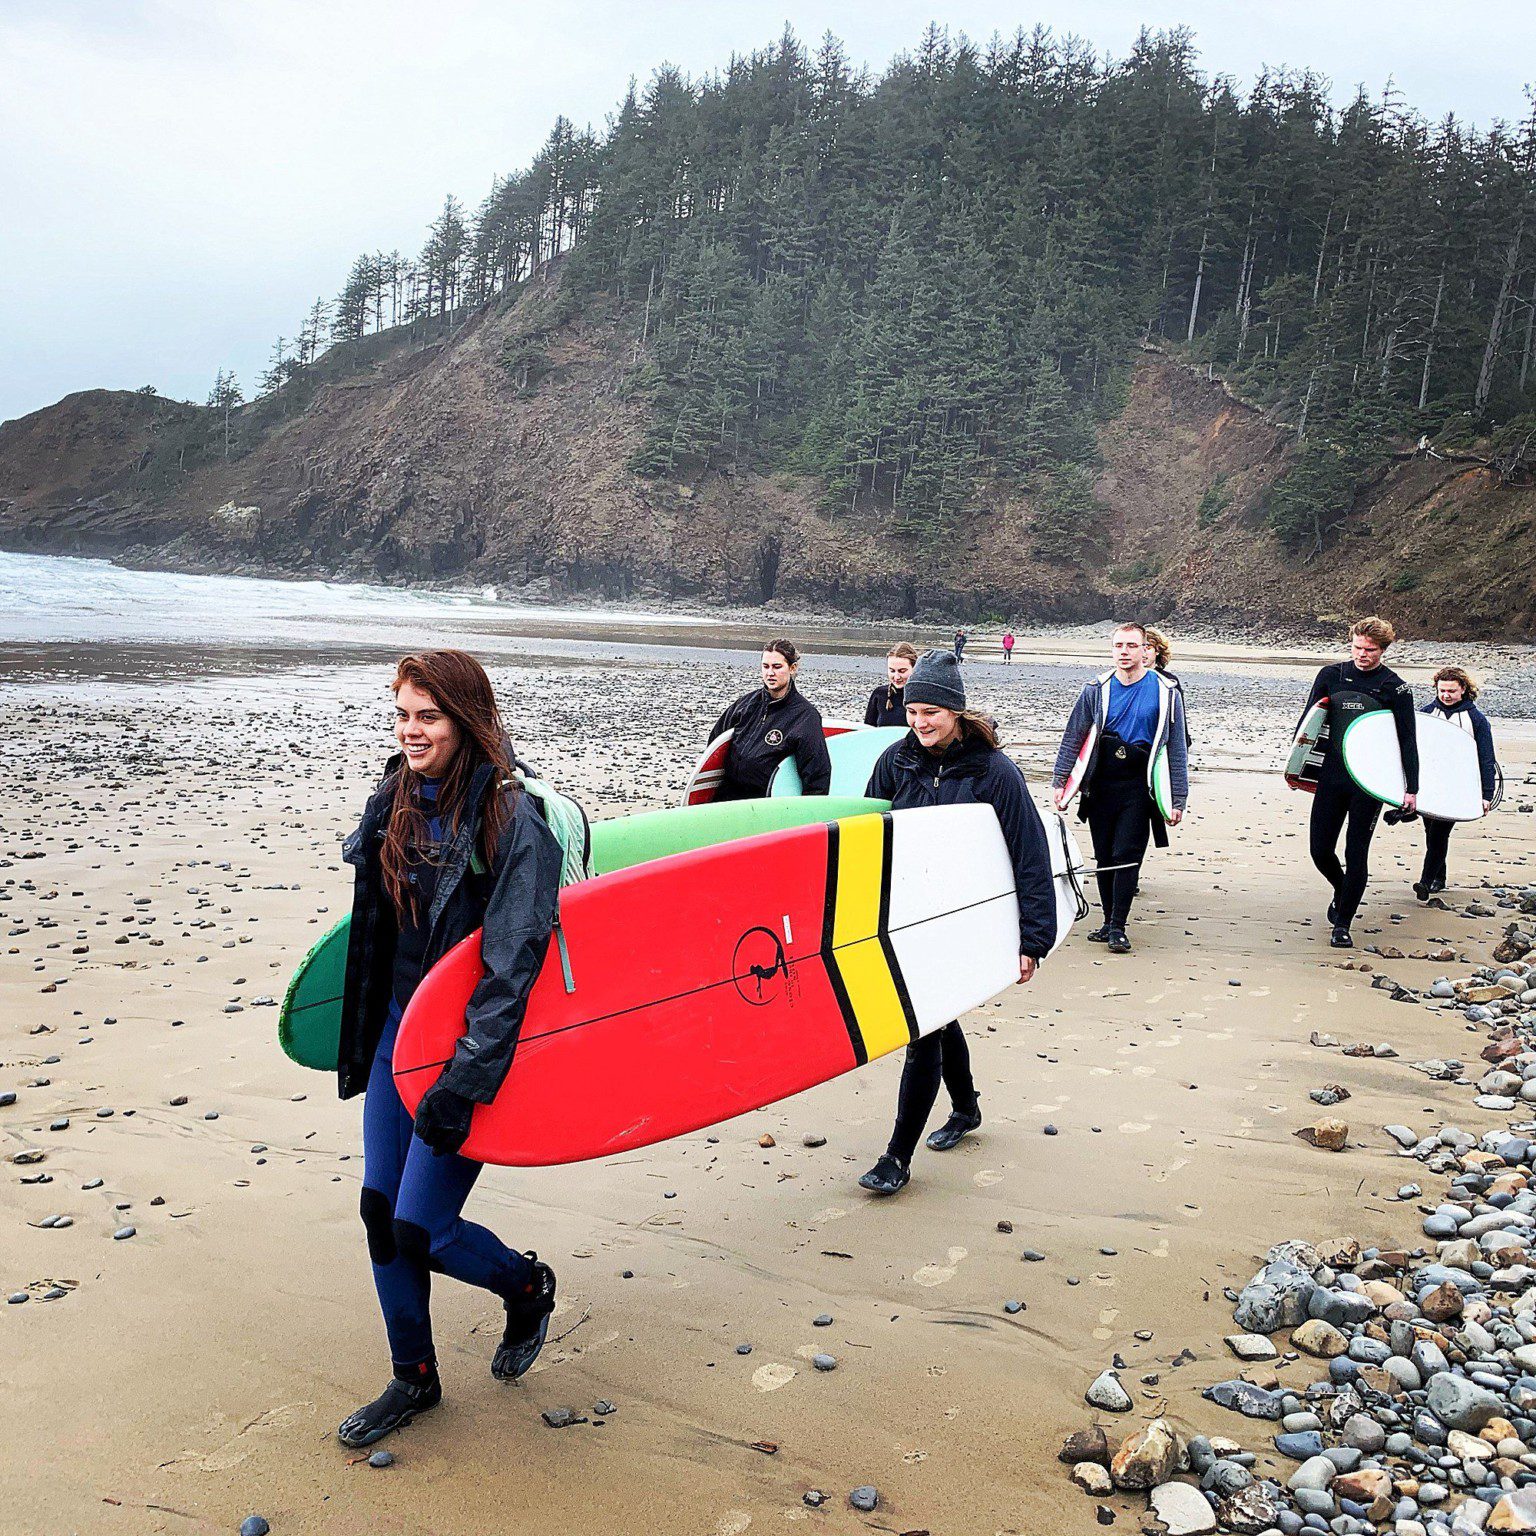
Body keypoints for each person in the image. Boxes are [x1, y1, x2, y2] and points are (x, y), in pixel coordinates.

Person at [334, 650, 563, 1449]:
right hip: (399, 1028)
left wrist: (463, 1080)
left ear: (466, 719)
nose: (410, 730)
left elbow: (513, 966)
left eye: (427, 716)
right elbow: (369, 931)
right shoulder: (394, 797)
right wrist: (358, 1038)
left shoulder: (511, 819)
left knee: (422, 1229)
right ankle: (414, 1378)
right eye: (401, 713)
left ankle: (525, 1285)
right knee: (378, 1213)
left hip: (466, 1047)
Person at [856, 650, 1056, 1196]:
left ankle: (896, 1157)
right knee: (938, 1020)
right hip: (908, 919)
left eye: (931, 713)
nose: (919, 723)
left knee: (923, 1029)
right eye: (912, 710)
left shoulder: (995, 772)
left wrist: (1033, 939)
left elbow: (1029, 855)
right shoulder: (895, 761)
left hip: (968, 921)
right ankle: (966, 1108)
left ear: (957, 713)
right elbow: (868, 839)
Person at [1051, 623, 1188, 954]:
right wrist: (1061, 781)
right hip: (1101, 783)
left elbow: (1177, 748)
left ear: (1145, 650)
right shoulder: (1095, 689)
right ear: (1112, 650)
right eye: (1118, 646)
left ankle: (1117, 926)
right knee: (1105, 855)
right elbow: (1075, 736)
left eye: (1131, 645)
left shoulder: (1166, 692)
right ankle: (1108, 920)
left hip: (1140, 785)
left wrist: (1178, 798)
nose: (1124, 652)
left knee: (1127, 855)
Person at [1296, 616, 1418, 947]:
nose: (1362, 655)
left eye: (1370, 650)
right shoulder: (1330, 675)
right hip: (1332, 777)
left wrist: (1411, 789)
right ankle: (1342, 887)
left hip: (1369, 783)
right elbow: (1308, 725)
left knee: (1356, 852)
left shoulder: (1396, 687)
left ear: (1383, 650)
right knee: (1319, 849)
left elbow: (1408, 740)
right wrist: (1296, 768)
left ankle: (1343, 924)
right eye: (1357, 647)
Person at [707, 639, 831, 800]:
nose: (770, 673)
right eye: (766, 666)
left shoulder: (805, 716)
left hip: (766, 804)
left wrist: (808, 816)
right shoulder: (745, 705)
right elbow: (715, 744)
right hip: (728, 798)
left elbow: (817, 775)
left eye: (777, 667)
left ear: (792, 668)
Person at [1414, 666, 1497, 900]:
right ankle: (1439, 878)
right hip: (1428, 785)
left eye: (1451, 690)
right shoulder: (1427, 712)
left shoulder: (1476, 720)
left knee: (1439, 833)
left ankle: (1425, 881)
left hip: (1458, 789)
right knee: (1431, 832)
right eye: (1442, 690)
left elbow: (1486, 758)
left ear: (1463, 689)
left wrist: (1486, 795)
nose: (1446, 695)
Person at [1143, 625, 1191, 747]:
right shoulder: (1122, 679)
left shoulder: (1169, 681)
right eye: (1140, 647)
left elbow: (1178, 719)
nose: (1143, 652)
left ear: (1157, 651)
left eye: (1148, 647)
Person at [865, 642, 917, 726]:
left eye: (902, 671)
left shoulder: (924, 696)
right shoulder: (879, 694)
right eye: (892, 671)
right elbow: (868, 730)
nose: (896, 677)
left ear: (914, 669)